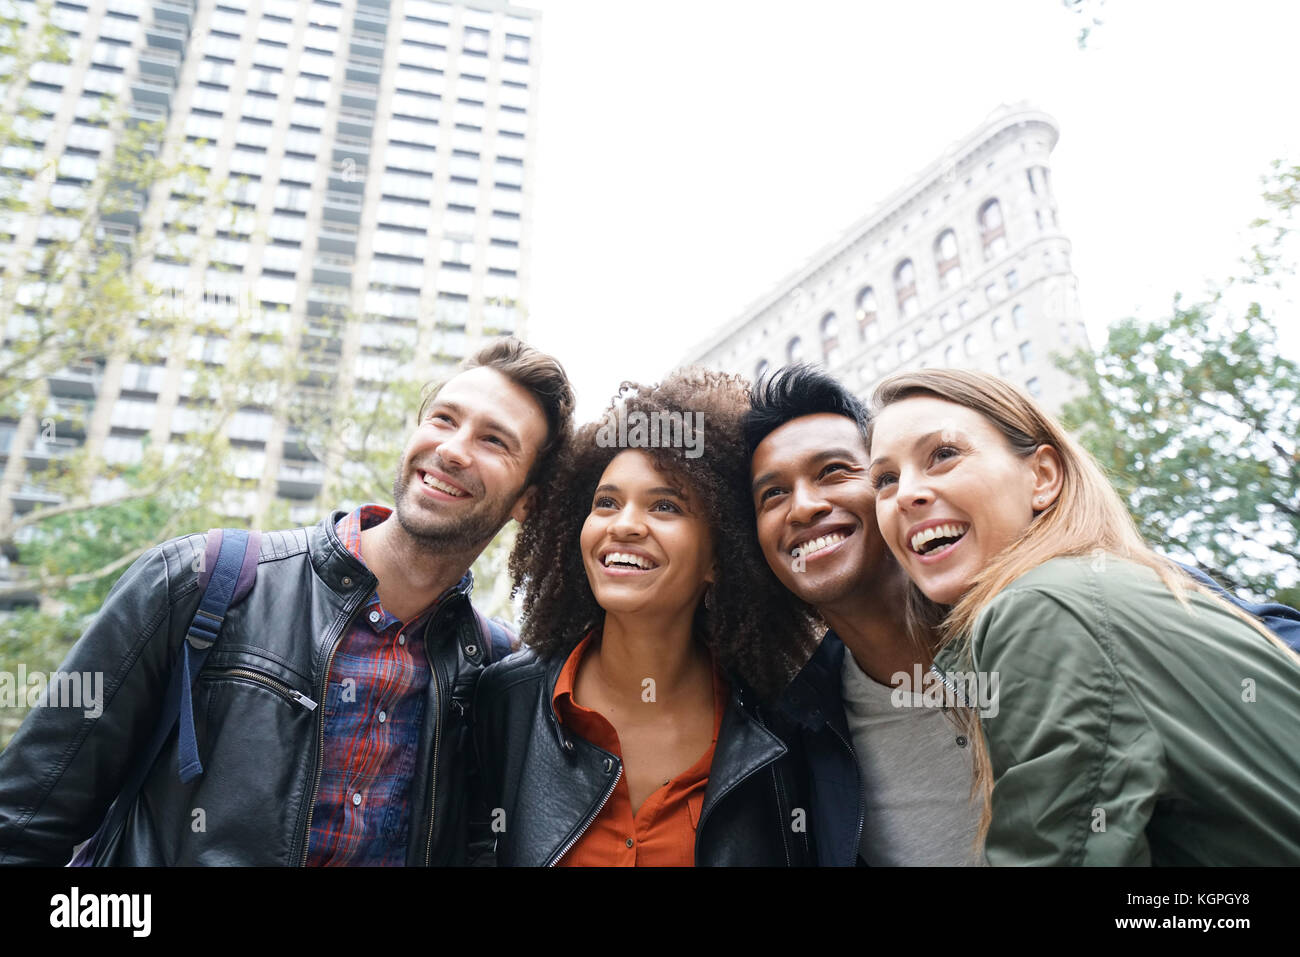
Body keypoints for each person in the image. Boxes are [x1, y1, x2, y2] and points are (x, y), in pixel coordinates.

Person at [0, 336, 575, 866]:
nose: (452, 450)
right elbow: (23, 824)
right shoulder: (200, 582)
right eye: (443, 419)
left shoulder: (498, 671)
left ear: (526, 500)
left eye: (493, 440)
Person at [866, 367, 1300, 865]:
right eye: (885, 479)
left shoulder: (1038, 608)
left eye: (944, 454)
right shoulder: (1111, 585)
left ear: (1043, 477)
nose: (905, 494)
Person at [474, 369, 819, 866]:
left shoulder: (780, 725)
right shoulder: (505, 702)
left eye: (664, 505)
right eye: (606, 503)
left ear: (721, 557)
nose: (625, 525)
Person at [744, 364, 984, 866]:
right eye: (773, 494)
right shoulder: (794, 739)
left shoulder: (1045, 620)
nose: (804, 508)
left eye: (833, 471)